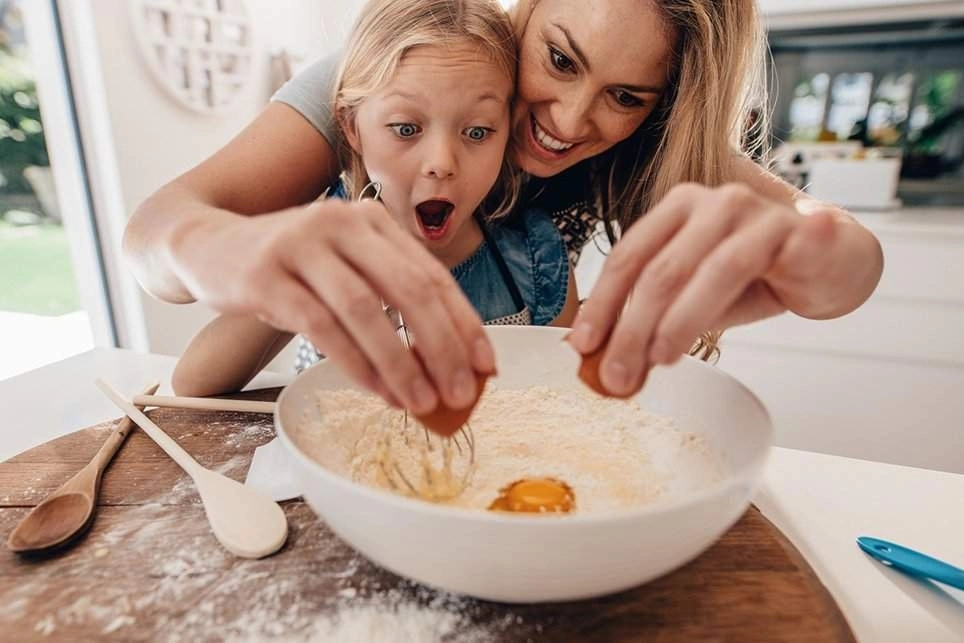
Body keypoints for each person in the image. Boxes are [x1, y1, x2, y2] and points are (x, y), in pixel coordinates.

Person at [124, 0, 883, 409]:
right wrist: (234, 255)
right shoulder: (403, 73)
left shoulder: (648, 143)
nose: (569, 119)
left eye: (624, 96)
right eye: (559, 58)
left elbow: (849, 259)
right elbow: (155, 235)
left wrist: (804, 252)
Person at [169, 0, 577, 398]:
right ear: (352, 126)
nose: (441, 163)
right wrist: (302, 271)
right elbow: (193, 383)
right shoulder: (323, 238)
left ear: (507, 130)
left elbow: (563, 397)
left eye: (476, 132)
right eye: (405, 129)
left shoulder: (535, 255)